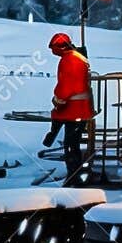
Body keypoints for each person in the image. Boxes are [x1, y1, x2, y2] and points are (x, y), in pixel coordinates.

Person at [48, 32, 96, 185]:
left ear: (60, 47)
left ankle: (74, 177)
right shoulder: (76, 58)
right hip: (79, 109)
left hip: (74, 109)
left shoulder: (70, 60)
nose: (52, 51)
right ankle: (75, 175)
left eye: (53, 48)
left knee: (71, 145)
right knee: (72, 143)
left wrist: (58, 101)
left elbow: (67, 86)